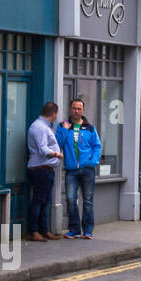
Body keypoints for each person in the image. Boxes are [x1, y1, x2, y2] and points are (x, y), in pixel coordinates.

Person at [57, 98, 102, 240]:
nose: (76, 111)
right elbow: (58, 143)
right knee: (70, 199)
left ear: (83, 110)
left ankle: (88, 230)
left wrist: (93, 162)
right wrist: (64, 130)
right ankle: (74, 229)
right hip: (71, 170)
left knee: (88, 200)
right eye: (74, 108)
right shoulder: (63, 126)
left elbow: (97, 146)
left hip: (87, 169)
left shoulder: (89, 128)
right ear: (70, 109)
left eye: (79, 109)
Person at [24, 102, 64, 242]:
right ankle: (33, 231)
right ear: (53, 114)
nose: (56, 116)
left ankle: (43, 230)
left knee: (45, 201)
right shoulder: (40, 127)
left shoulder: (45, 126)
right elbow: (42, 149)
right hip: (41, 170)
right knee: (38, 201)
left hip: (46, 170)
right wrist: (56, 154)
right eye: (56, 114)